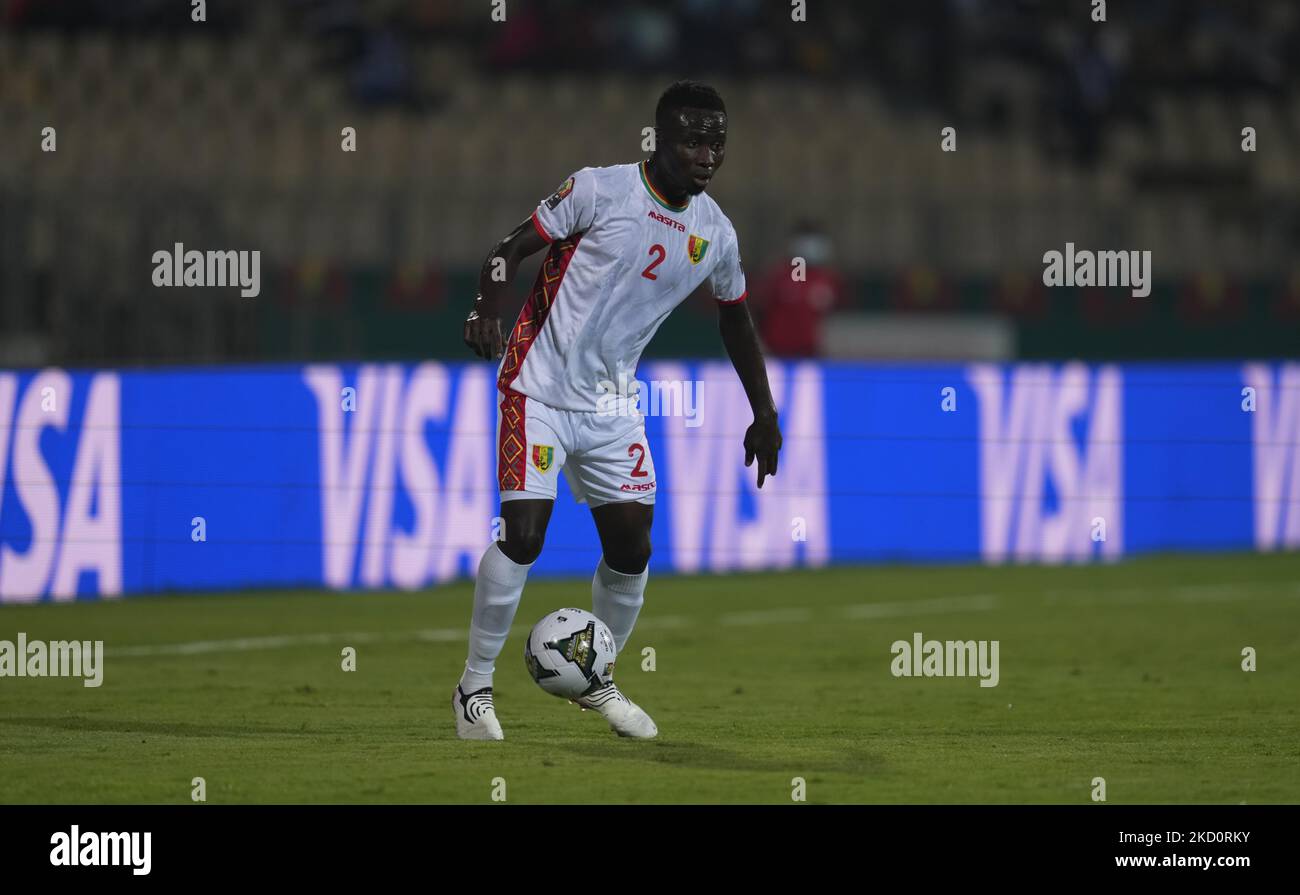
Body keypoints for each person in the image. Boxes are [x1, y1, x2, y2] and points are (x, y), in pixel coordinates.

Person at [456, 80, 782, 739]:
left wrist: (764, 412)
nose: (707, 154)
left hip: (611, 404)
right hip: (537, 383)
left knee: (632, 549)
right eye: (693, 140)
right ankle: (475, 687)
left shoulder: (715, 234)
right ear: (659, 140)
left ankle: (597, 679)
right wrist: (486, 310)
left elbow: (736, 320)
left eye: (717, 142)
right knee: (524, 536)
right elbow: (509, 248)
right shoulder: (600, 190)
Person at [751, 221, 846, 358]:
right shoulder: (778, 275)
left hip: (810, 351)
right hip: (777, 351)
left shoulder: (827, 279)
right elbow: (759, 307)